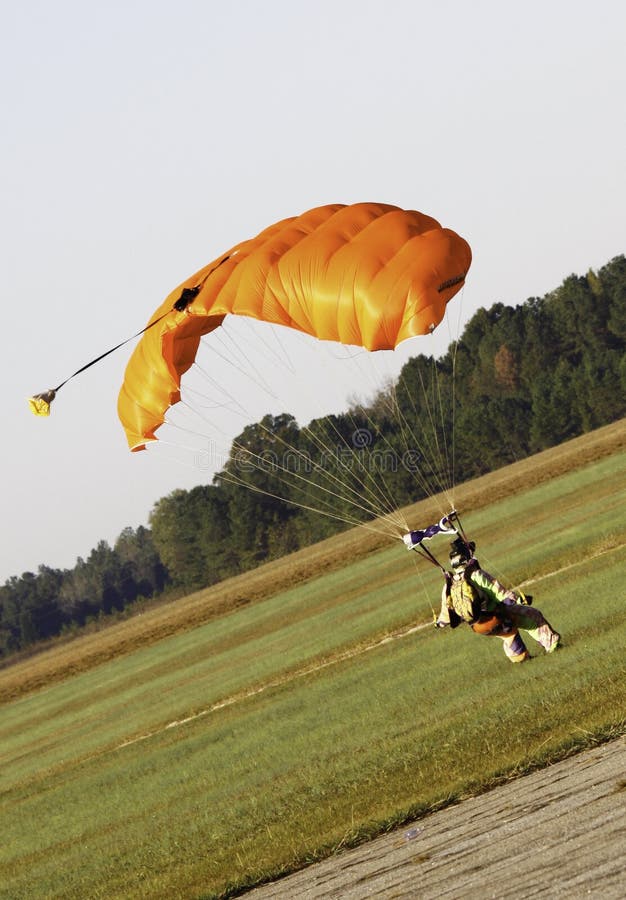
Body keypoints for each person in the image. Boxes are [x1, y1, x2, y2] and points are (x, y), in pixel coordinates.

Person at [435, 538, 561, 663]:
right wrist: (518, 600)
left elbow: (446, 614)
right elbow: (499, 593)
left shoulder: (449, 584)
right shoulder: (476, 575)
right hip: (496, 617)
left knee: (509, 634)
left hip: (478, 627)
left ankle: (520, 658)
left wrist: (439, 623)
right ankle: (553, 646)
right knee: (532, 617)